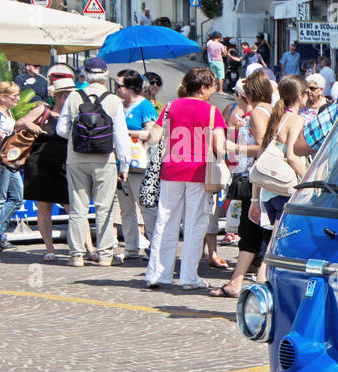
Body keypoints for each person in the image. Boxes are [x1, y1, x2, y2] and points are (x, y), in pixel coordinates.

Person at [145, 66, 225, 289]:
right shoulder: (212, 112)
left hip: (171, 169)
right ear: (202, 88)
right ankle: (189, 277)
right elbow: (220, 147)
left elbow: (154, 138)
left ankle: (157, 273)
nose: (213, 92)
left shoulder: (170, 106)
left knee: (165, 221)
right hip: (198, 172)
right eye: (211, 87)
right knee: (195, 224)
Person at [54, 58, 132, 266]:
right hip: (104, 159)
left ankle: (76, 255)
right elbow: (121, 137)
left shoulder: (73, 97)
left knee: (78, 207)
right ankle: (105, 255)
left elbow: (60, 130)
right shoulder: (113, 100)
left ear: (86, 75)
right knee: (104, 207)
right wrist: (124, 165)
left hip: (76, 157)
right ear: (105, 76)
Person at [211, 72, 275, 298]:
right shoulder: (265, 109)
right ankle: (237, 283)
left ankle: (251, 284)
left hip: (257, 179)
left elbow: (263, 147)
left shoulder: (258, 112)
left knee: (252, 231)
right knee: (252, 231)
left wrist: (234, 147)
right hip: (259, 179)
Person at [23, 76, 76, 260]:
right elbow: (19, 123)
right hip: (39, 165)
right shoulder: (43, 110)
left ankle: (84, 248)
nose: (71, 98)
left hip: (64, 166)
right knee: (44, 209)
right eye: (68, 95)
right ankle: (49, 249)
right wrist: (28, 123)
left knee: (74, 208)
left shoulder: (74, 114)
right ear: (60, 96)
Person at [0, 82, 45, 252]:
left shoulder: (8, 112)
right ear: (3, 97)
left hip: (8, 157)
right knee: (4, 198)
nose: (18, 99)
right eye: (14, 96)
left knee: (14, 197)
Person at [253, 75, 310, 237]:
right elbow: (292, 156)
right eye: (306, 92)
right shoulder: (295, 119)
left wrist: (254, 200)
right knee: (276, 245)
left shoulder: (277, 117)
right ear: (300, 96)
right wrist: (310, 182)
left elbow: (262, 154)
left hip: (268, 191)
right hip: (283, 189)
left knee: (275, 242)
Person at [115, 69, 160, 262]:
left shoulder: (145, 106)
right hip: (120, 163)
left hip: (140, 163)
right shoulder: (117, 105)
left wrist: (127, 133)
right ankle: (131, 245)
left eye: (119, 86)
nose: (116, 89)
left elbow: (151, 135)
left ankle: (155, 244)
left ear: (130, 88)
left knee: (145, 206)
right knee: (125, 207)